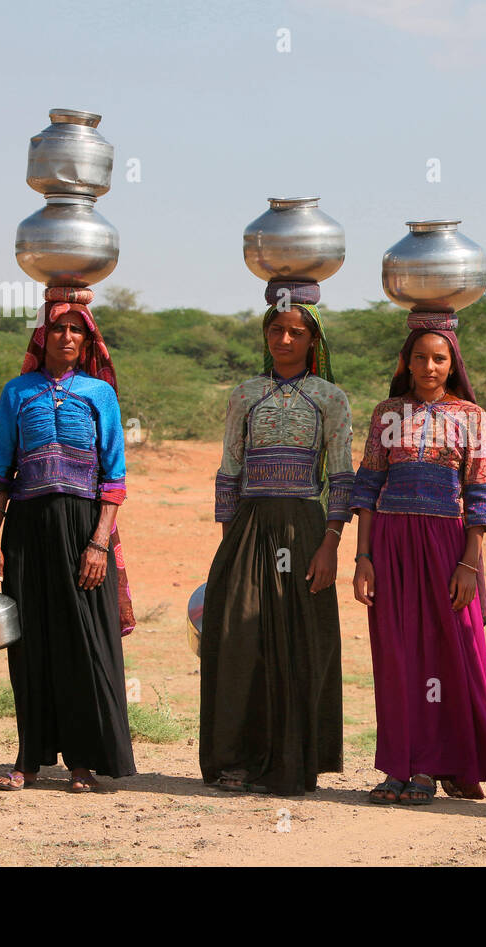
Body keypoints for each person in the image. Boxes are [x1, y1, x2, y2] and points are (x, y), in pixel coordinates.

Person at [0, 287, 136, 793]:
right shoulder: (17, 392)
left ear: (86, 338)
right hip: (27, 528)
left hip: (83, 528)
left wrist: (98, 544)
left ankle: (83, 761)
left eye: (76, 328)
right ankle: (28, 761)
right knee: (30, 645)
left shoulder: (100, 394)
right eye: (58, 327)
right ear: (42, 335)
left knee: (83, 643)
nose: (66, 336)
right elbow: (0, 471)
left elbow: (114, 477)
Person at [351, 314, 486, 807]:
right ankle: (399, 766)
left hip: (447, 545)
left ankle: (431, 766)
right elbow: (368, 489)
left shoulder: (472, 417)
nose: (429, 366)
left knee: (446, 655)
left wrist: (469, 564)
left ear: (452, 363)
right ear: (406, 362)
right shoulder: (385, 414)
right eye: (420, 357)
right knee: (397, 656)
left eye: (439, 358)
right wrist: (363, 558)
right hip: (392, 545)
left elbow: (481, 492)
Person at [199, 297, 353, 796]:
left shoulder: (330, 398)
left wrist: (331, 544)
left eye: (296, 333)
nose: (284, 340)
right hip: (249, 527)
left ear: (314, 342)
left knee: (301, 644)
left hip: (305, 528)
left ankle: (290, 764)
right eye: (276, 330)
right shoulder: (245, 394)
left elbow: (343, 477)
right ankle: (238, 760)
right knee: (240, 640)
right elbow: (229, 468)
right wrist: (229, 545)